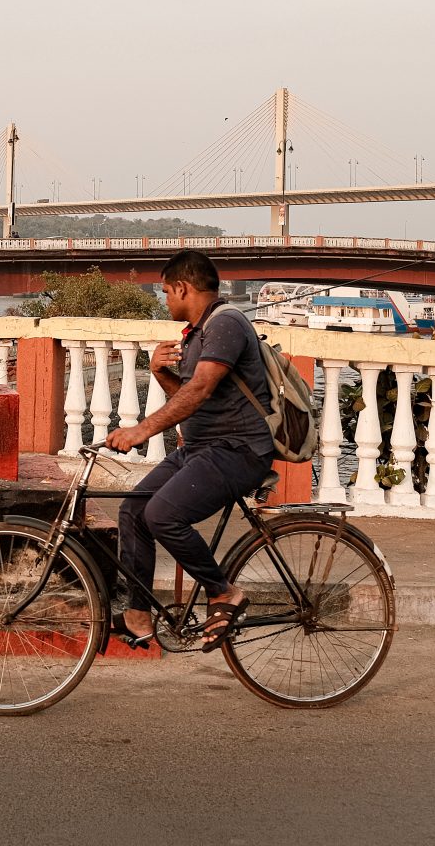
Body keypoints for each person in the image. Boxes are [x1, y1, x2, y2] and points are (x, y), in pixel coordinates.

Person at [103, 250, 275, 651]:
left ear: (183, 287)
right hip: (202, 448)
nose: (165, 299)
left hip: (238, 450)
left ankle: (223, 592)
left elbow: (200, 390)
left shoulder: (227, 323)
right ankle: (139, 614)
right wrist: (161, 373)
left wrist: (142, 430)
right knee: (133, 509)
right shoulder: (197, 333)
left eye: (166, 291)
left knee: (163, 514)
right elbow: (190, 398)